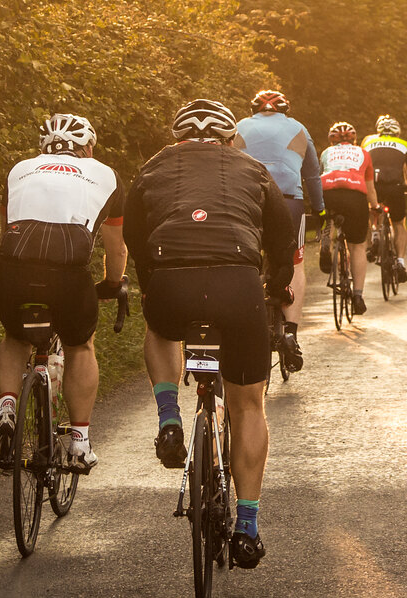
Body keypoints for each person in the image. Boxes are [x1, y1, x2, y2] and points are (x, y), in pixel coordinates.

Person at [123, 98, 294, 568]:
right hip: (237, 285)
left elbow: (135, 235)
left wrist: (149, 280)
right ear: (229, 137)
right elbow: (282, 235)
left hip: (171, 282)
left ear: (177, 136)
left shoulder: (153, 166)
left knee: (160, 330)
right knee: (248, 404)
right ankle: (247, 527)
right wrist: (276, 283)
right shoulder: (253, 168)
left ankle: (169, 418)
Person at [0, 113, 126, 475]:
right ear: (89, 147)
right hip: (69, 273)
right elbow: (116, 248)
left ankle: (7, 408)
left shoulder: (19, 169)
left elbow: (5, 227)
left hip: (13, 267)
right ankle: (80, 442)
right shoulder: (106, 174)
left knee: (14, 337)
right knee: (80, 345)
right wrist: (112, 284)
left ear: (43, 147)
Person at [235, 89, 319, 369]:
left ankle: (240, 317)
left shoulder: (239, 126)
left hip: (247, 199)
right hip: (288, 201)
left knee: (243, 255)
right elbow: (312, 175)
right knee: (295, 263)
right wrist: (320, 209)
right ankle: (291, 333)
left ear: (254, 110)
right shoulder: (298, 128)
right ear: (285, 110)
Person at [317, 121, 380, 313]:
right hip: (354, 194)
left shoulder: (326, 153)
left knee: (330, 216)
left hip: (328, 191)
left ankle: (326, 238)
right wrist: (375, 207)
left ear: (332, 140)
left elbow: (318, 176)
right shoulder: (364, 153)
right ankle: (358, 296)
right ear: (354, 139)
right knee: (357, 246)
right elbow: (370, 189)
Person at [361, 116, 407, 280]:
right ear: (397, 132)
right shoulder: (404, 145)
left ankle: (375, 234)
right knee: (399, 224)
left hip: (374, 185)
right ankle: (400, 262)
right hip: (395, 187)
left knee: (374, 209)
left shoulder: (368, 142)